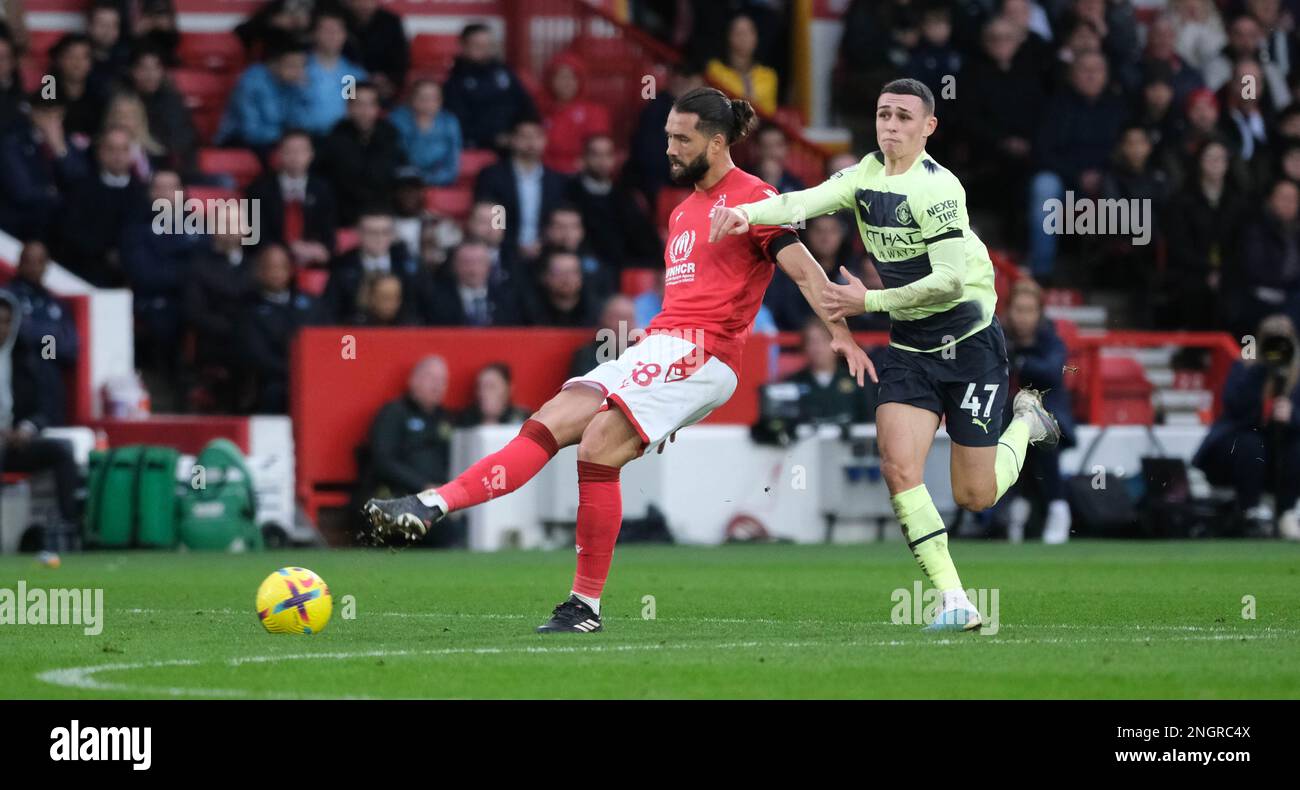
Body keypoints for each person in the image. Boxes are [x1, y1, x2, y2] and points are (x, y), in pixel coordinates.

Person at [364, 87, 873, 633]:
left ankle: (585, 605)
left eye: (683, 138)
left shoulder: (755, 198)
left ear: (719, 141)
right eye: (668, 138)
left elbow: (802, 270)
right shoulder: (681, 213)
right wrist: (663, 400)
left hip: (706, 353)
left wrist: (839, 333)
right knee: (552, 417)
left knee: (599, 443)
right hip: (659, 349)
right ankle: (430, 504)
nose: (670, 149)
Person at [711, 78, 1061, 632]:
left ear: (928, 127)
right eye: (882, 115)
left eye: (903, 117)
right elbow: (802, 202)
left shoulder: (939, 190)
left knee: (976, 495)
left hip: (969, 346)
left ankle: (1027, 422)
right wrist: (745, 215)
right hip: (910, 350)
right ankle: (954, 601)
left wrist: (866, 300)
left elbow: (948, 282)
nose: (890, 126)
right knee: (899, 468)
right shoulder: (864, 175)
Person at [1193, 314, 1300, 536]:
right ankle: (1250, 511)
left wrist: (1294, 416)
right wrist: (1261, 369)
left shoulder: (1296, 375)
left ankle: (1287, 512)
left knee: (1295, 447)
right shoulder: (1246, 367)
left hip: (1279, 452)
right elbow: (1234, 408)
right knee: (1251, 443)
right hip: (1239, 450)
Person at [0, 293, 81, 556]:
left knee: (62, 450)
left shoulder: (24, 362)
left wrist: (26, 429)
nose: (1, 328)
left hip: (14, 444)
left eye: (6, 322)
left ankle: (69, 529)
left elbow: (42, 410)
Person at [997, 279, 1075, 544]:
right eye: (1018, 309)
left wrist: (1020, 361)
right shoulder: (998, 337)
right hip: (1004, 420)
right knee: (1014, 445)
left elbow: (1052, 373)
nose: (1023, 317)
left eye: (1029, 310)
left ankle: (1057, 509)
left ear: (1040, 312)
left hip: (1051, 419)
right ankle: (1014, 513)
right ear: (1009, 311)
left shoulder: (1051, 340)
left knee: (1036, 427)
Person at [245, 129, 337, 266]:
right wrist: (290, 249)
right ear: (279, 154)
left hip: (313, 261)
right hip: (270, 262)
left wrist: (317, 250)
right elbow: (254, 237)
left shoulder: (323, 190)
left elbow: (329, 236)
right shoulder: (259, 190)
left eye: (301, 151)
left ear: (311, 155)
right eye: (289, 151)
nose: (295, 157)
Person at [441, 23, 537, 151]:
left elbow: (525, 104)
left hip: (514, 142)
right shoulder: (454, 82)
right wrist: (494, 138)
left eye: (488, 45)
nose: (485, 50)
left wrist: (524, 132)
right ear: (463, 46)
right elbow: (459, 124)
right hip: (480, 145)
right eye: (478, 45)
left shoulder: (505, 73)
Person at [785, 317, 879, 425]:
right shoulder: (793, 382)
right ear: (804, 346)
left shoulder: (856, 379)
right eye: (811, 342)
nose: (817, 348)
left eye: (823, 341)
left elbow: (868, 420)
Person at [388, 79, 461, 187]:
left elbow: (451, 166)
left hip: (438, 182)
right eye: (422, 98)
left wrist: (427, 179)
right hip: (402, 181)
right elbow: (393, 158)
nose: (427, 103)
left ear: (440, 101)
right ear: (412, 99)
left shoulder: (449, 122)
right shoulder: (396, 119)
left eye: (433, 98)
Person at [706, 14, 778, 115]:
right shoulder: (715, 69)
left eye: (749, 32)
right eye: (739, 32)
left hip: (762, 127)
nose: (744, 37)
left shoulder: (768, 75)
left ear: (756, 38)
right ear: (729, 36)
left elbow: (768, 113)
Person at [457, 363, 530, 427]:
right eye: (480, 387)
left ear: (508, 389)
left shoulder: (523, 419)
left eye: (492, 386)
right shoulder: (464, 421)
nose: (484, 393)